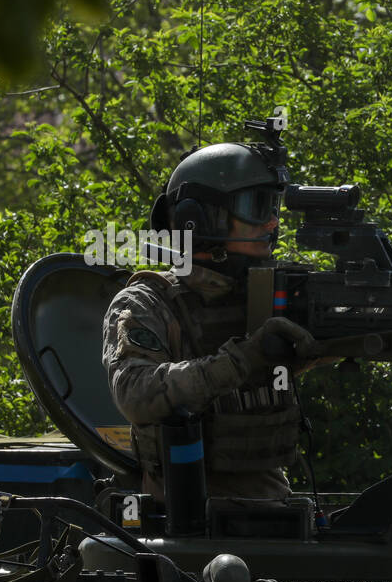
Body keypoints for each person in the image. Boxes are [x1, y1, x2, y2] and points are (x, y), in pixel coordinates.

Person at [101, 139, 321, 501]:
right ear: (199, 217)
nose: (272, 220)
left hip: (275, 513)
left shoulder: (266, 295)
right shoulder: (147, 302)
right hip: (186, 524)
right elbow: (135, 393)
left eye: (273, 205)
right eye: (256, 206)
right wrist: (241, 360)